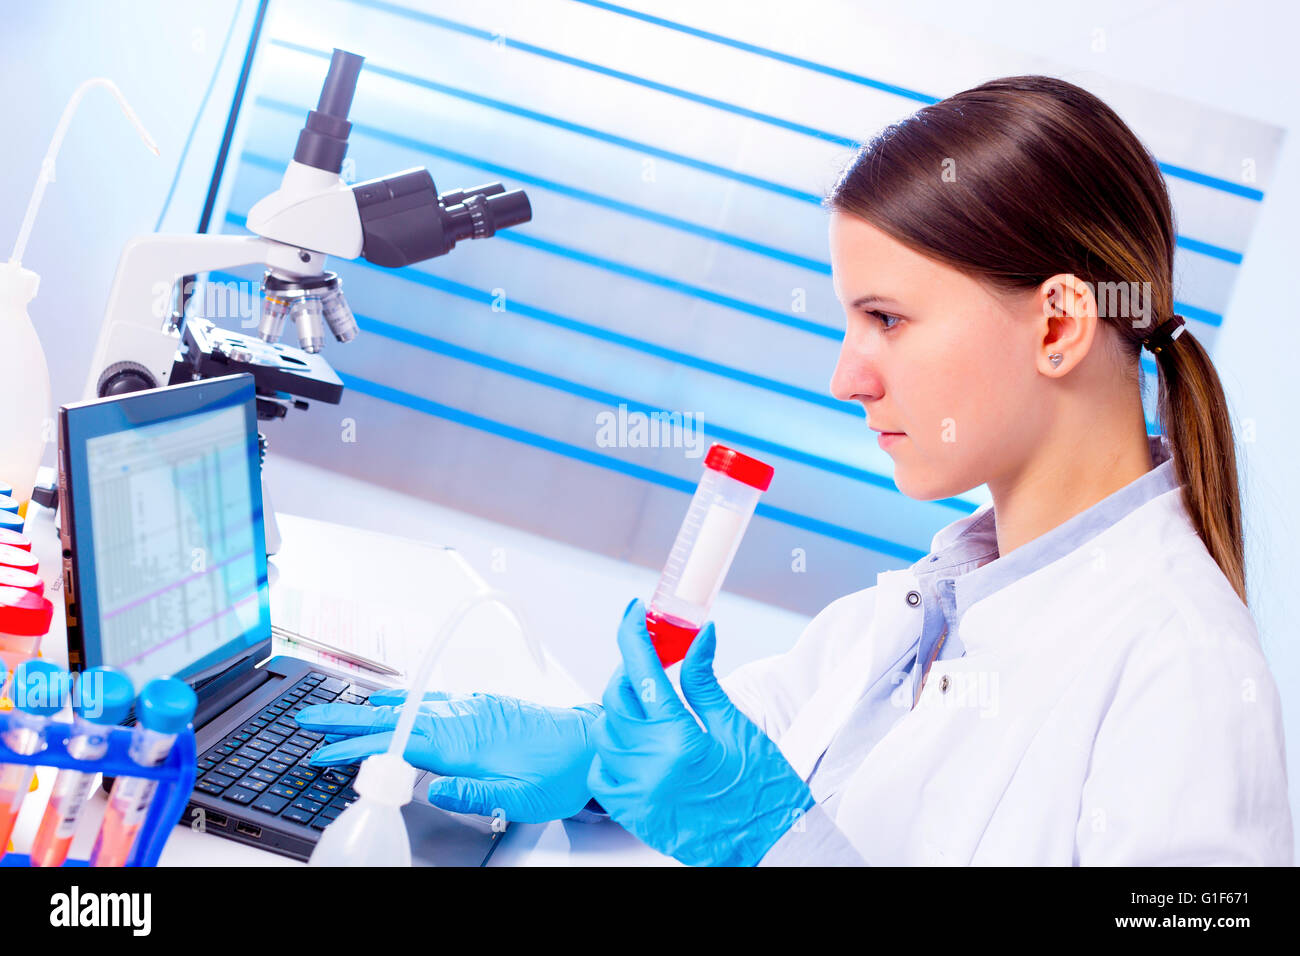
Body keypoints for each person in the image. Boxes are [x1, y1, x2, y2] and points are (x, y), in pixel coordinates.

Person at [295, 75, 1292, 866]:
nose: (846, 374)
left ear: (1059, 322)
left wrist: (769, 840)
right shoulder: (922, 605)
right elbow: (757, 745)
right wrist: (596, 752)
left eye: (887, 318)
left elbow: (765, 810)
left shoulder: (1183, 679)